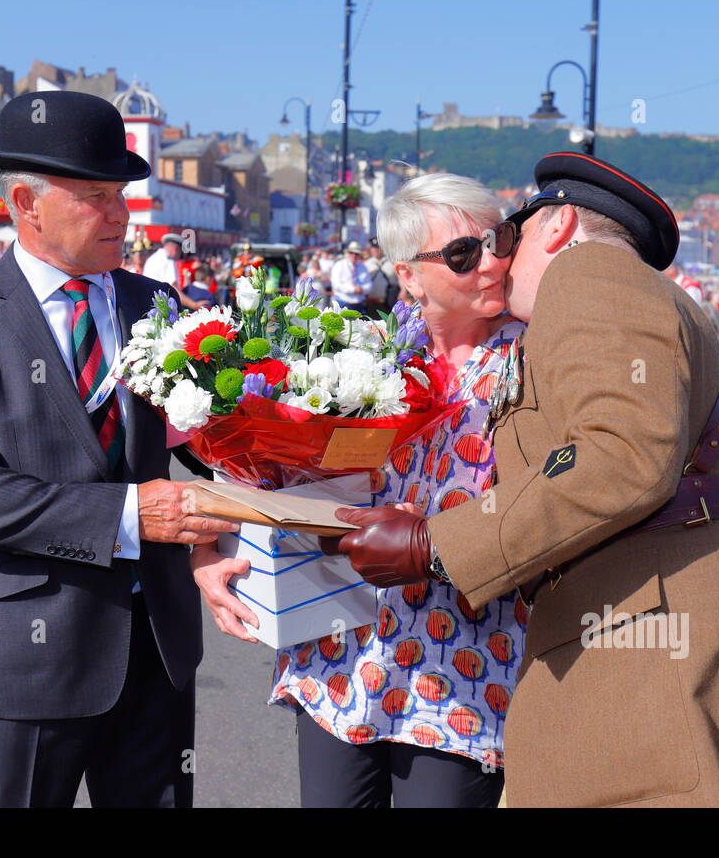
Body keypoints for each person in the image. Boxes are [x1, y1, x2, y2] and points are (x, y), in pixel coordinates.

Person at [322, 152, 719, 807]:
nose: (499, 257)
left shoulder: (590, 274)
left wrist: (436, 544)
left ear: (560, 224)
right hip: (651, 634)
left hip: (656, 655)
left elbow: (618, 454)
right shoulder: (607, 292)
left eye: (511, 233)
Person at [0, 90, 238, 808]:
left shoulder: (161, 308)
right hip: (29, 662)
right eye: (96, 196)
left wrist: (286, 482)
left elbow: (210, 444)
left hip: (156, 648)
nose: (121, 213)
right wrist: (127, 516)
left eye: (121, 193)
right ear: (27, 203)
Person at [194, 174, 526, 807]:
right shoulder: (356, 350)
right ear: (408, 275)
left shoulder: (536, 358)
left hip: (463, 657)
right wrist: (207, 550)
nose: (492, 263)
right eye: (464, 254)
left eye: (500, 239)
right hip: (340, 649)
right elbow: (265, 469)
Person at [329, 242, 372, 311]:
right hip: (342, 303)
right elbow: (336, 284)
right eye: (351, 253)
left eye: (356, 254)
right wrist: (353, 289)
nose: (354, 255)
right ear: (348, 253)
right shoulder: (339, 265)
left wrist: (362, 289)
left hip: (359, 305)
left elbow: (369, 285)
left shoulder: (363, 267)